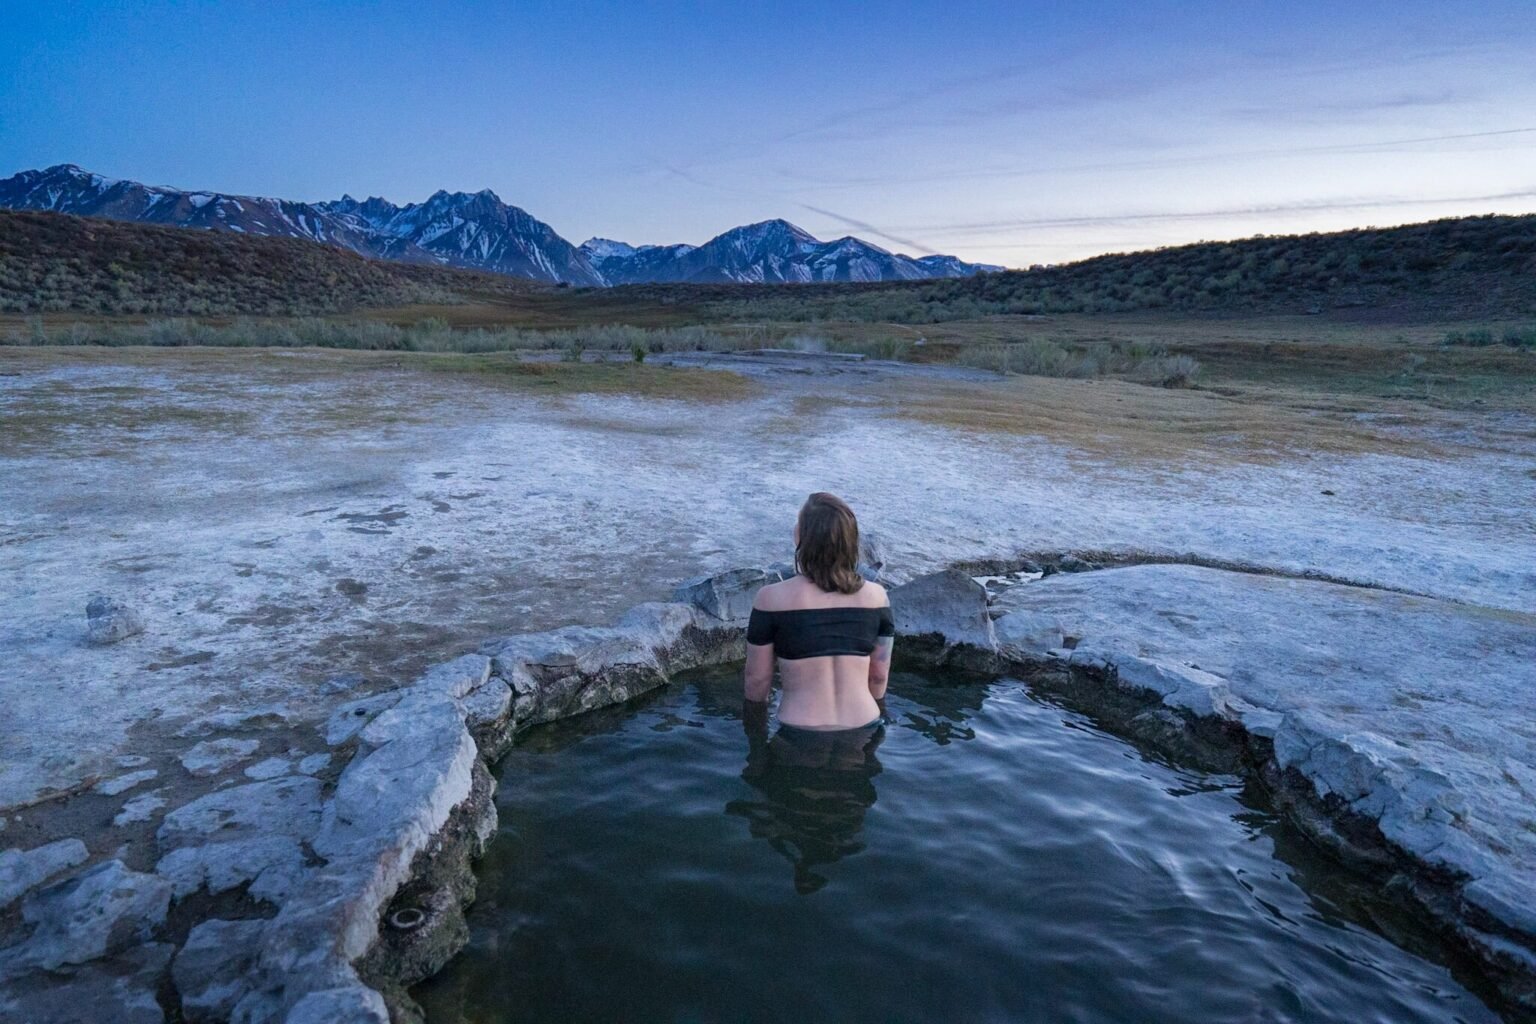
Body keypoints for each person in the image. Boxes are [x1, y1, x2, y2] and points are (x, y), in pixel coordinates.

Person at [743, 492, 894, 730]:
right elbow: (878, 676)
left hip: (799, 729)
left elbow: (757, 680)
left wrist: (754, 733)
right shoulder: (877, 597)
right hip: (864, 723)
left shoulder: (770, 599)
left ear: (803, 536)